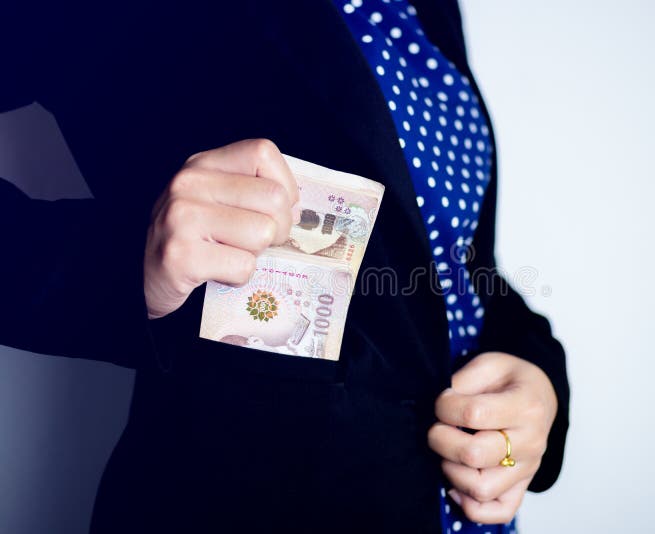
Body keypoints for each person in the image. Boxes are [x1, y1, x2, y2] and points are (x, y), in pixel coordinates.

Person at [0, 0, 570, 532]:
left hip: (464, 512)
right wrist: (120, 263)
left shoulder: (430, 7)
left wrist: (538, 380)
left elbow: (452, 265)